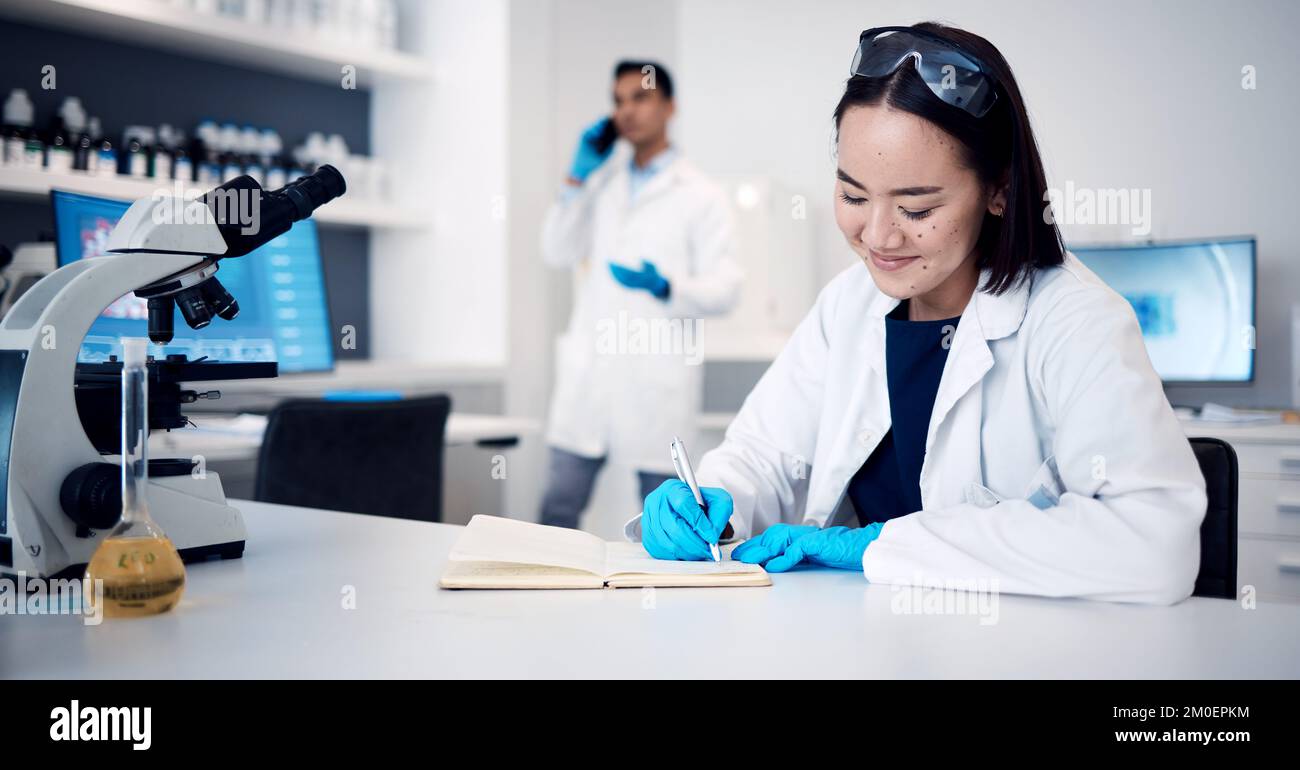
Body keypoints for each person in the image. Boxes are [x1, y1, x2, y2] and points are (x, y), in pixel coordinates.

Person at [629, 23, 1207, 605]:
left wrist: (884, 545)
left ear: (999, 189)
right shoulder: (848, 305)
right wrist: (711, 501)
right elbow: (764, 455)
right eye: (853, 196)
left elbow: (1153, 543)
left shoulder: (1076, 322)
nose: (878, 235)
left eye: (916, 206)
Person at [539, 60, 742, 530]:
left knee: (666, 524)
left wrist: (668, 286)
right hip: (590, 378)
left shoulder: (701, 195)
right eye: (619, 100)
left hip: (657, 383)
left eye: (641, 97)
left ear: (669, 106)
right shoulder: (599, 187)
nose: (627, 110)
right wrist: (574, 180)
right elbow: (555, 250)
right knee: (556, 511)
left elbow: (728, 289)